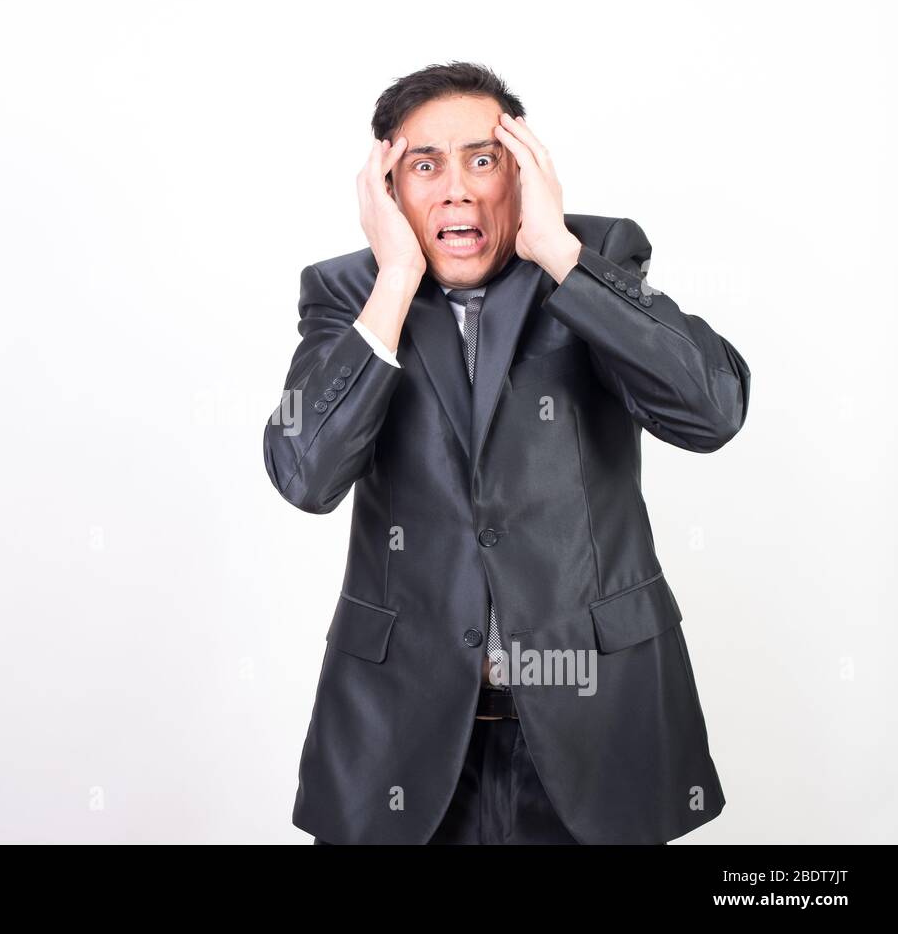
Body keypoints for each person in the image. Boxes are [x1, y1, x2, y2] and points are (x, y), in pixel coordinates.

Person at [262, 62, 750, 844]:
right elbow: (303, 472)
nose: (456, 189)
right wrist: (393, 282)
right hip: (401, 742)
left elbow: (712, 409)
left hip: (594, 729)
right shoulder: (346, 293)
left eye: (481, 159)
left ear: (519, 172)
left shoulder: (594, 259)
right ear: (387, 189)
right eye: (424, 165)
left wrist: (562, 254)